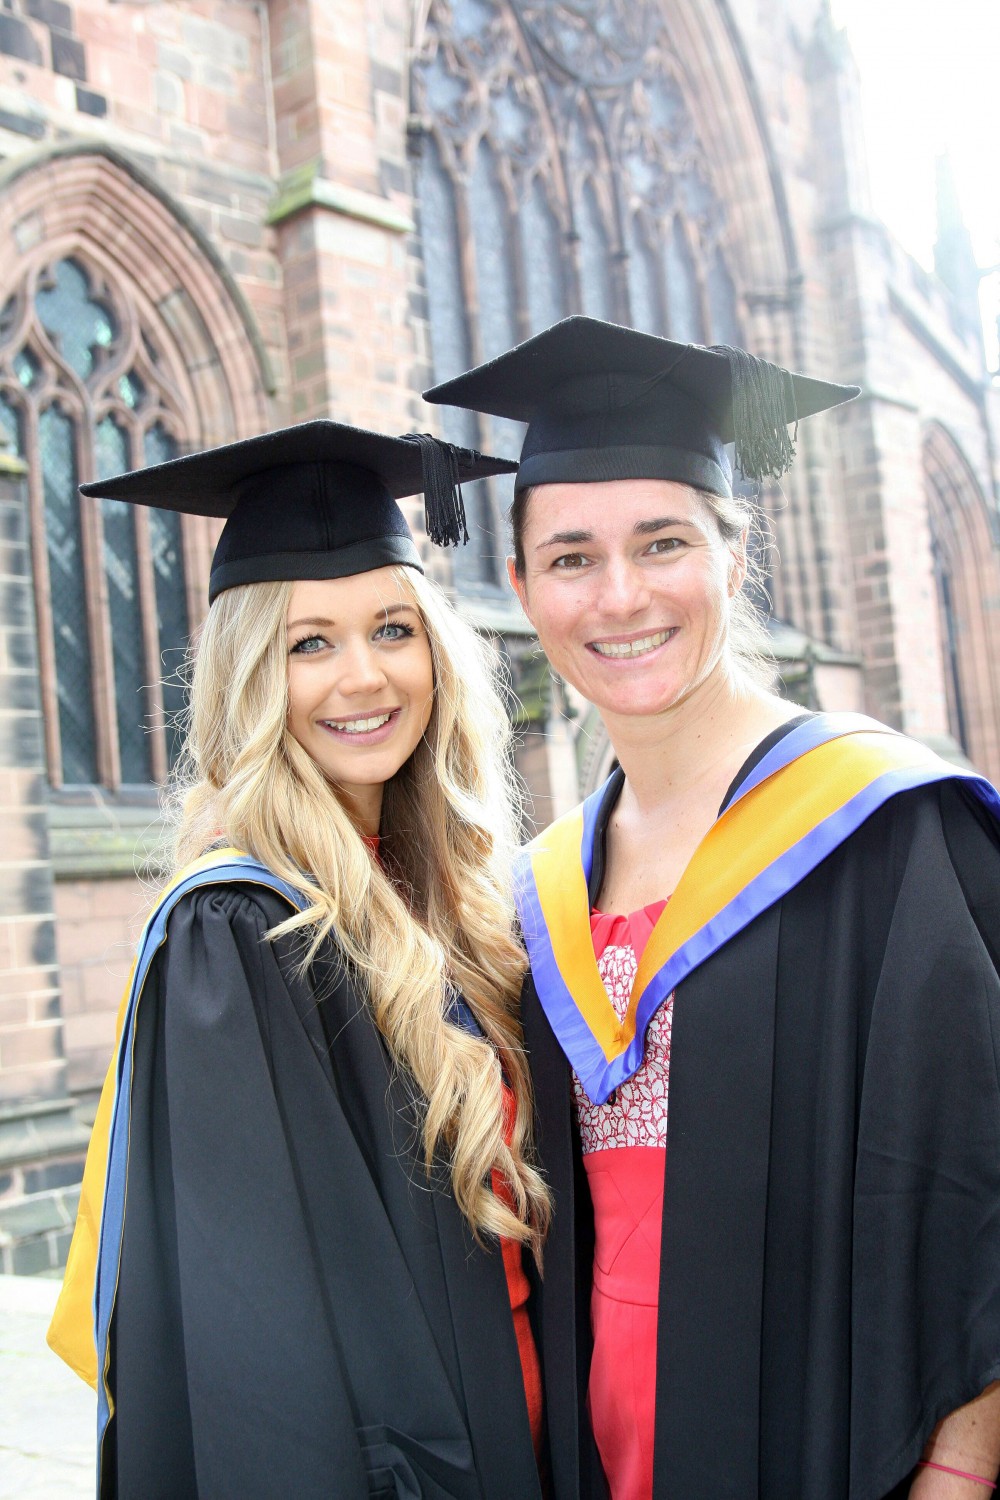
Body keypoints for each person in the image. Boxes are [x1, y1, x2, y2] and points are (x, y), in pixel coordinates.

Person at [425, 316, 1000, 1500]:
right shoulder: (540, 889)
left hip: (836, 1429)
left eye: (663, 541)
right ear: (521, 585)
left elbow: (972, 1185)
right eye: (572, 555)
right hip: (599, 1438)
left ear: (733, 558)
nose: (620, 594)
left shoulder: (883, 826)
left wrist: (957, 1469)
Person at [47, 421, 558, 1499]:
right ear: (252, 674)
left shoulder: (451, 896)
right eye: (308, 642)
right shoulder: (238, 933)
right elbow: (263, 1371)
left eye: (391, 629)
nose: (362, 678)